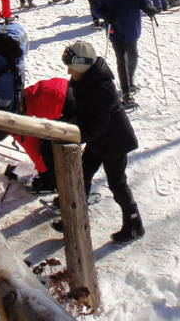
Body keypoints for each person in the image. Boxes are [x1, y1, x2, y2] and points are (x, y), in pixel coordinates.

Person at [60, 40, 144, 243]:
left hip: (115, 143)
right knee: (82, 174)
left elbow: (98, 125)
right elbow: (81, 109)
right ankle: (76, 218)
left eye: (72, 67)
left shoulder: (101, 87)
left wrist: (76, 137)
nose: (69, 72)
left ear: (82, 65)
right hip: (98, 140)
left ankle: (134, 224)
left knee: (117, 185)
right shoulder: (83, 79)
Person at [92, 0, 157, 108]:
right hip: (116, 32)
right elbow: (95, 9)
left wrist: (149, 8)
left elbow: (145, 1)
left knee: (133, 57)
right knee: (121, 59)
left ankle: (129, 78)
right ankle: (126, 91)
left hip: (132, 31)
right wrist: (104, 15)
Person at [16, 77, 76, 193]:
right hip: (66, 90)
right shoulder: (28, 95)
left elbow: (32, 146)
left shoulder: (31, 109)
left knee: (48, 150)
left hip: (62, 103)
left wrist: (44, 174)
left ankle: (54, 184)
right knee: (48, 144)